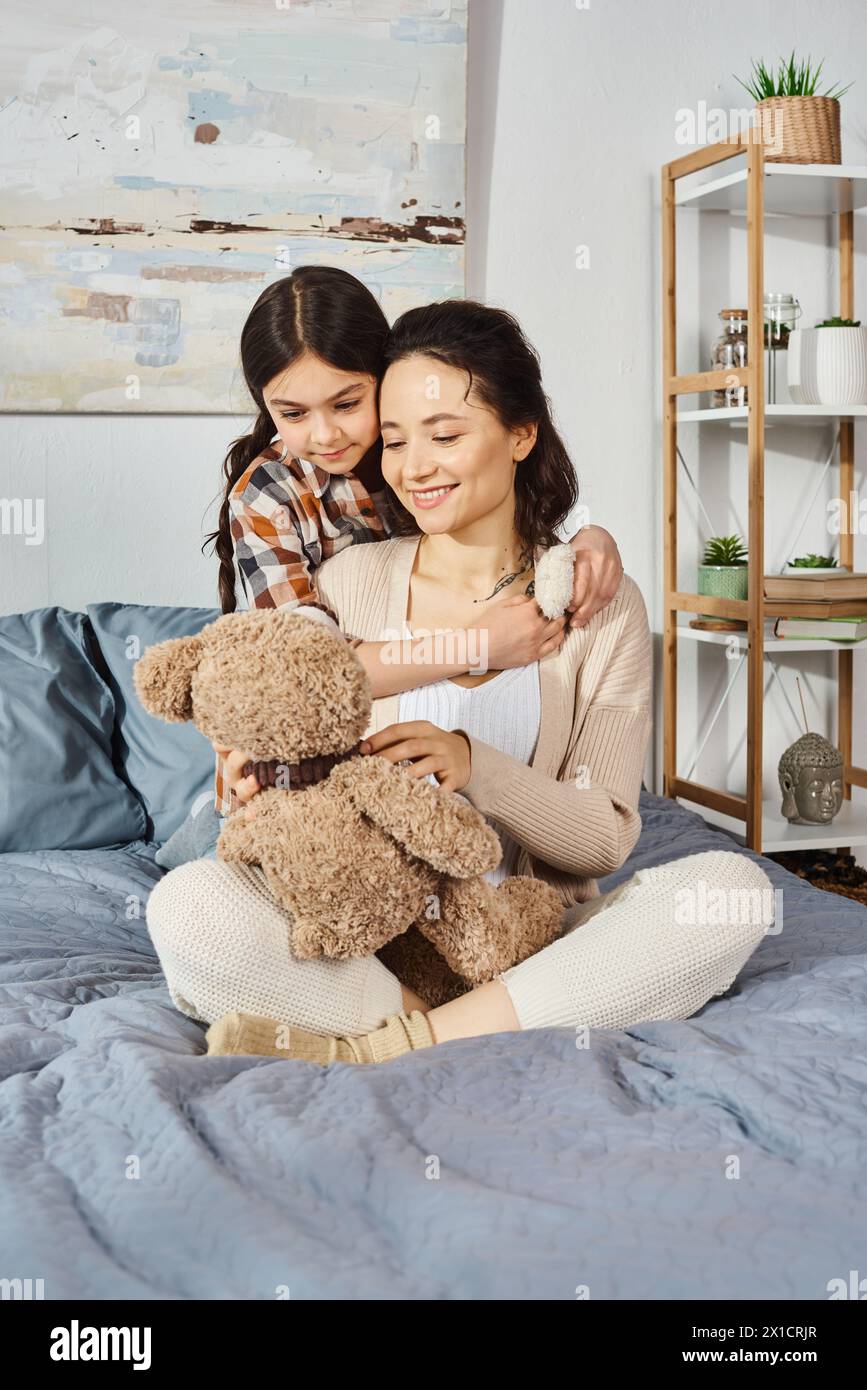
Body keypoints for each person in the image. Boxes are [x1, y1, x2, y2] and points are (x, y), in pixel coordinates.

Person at [146, 298, 774, 1064]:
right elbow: (282, 718)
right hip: (368, 940)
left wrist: (478, 768)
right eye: (398, 439)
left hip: (529, 931)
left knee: (735, 892)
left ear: (520, 432)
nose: (413, 467)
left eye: (445, 435)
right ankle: (447, 1026)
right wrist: (251, 774)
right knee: (187, 907)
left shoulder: (595, 604)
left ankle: (373, 1047)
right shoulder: (345, 582)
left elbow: (605, 841)